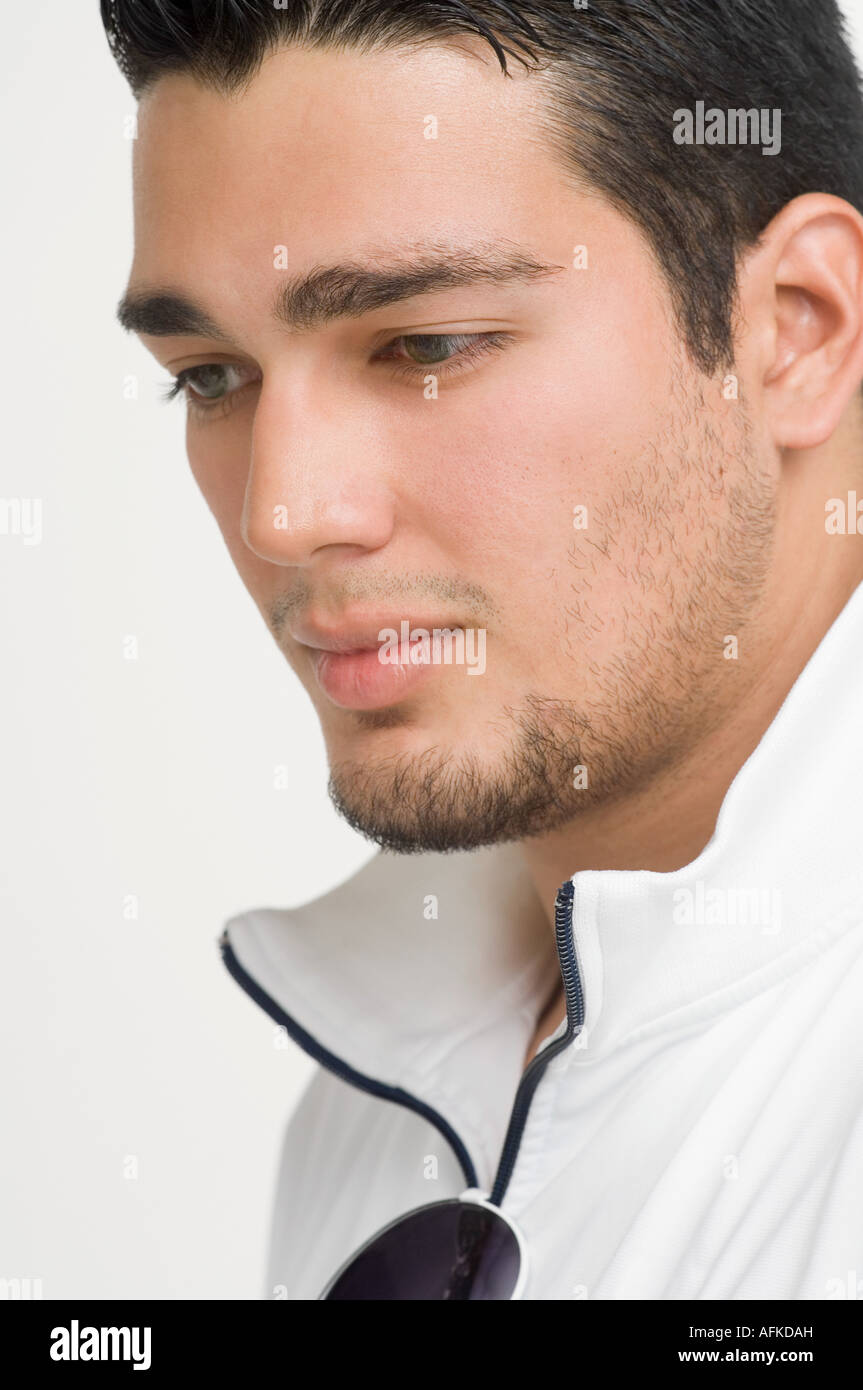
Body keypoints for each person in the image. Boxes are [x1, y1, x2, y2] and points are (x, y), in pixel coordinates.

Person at [102, 0, 863, 1299]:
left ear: (796, 327)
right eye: (213, 376)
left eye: (427, 345)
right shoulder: (373, 1102)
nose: (281, 514)